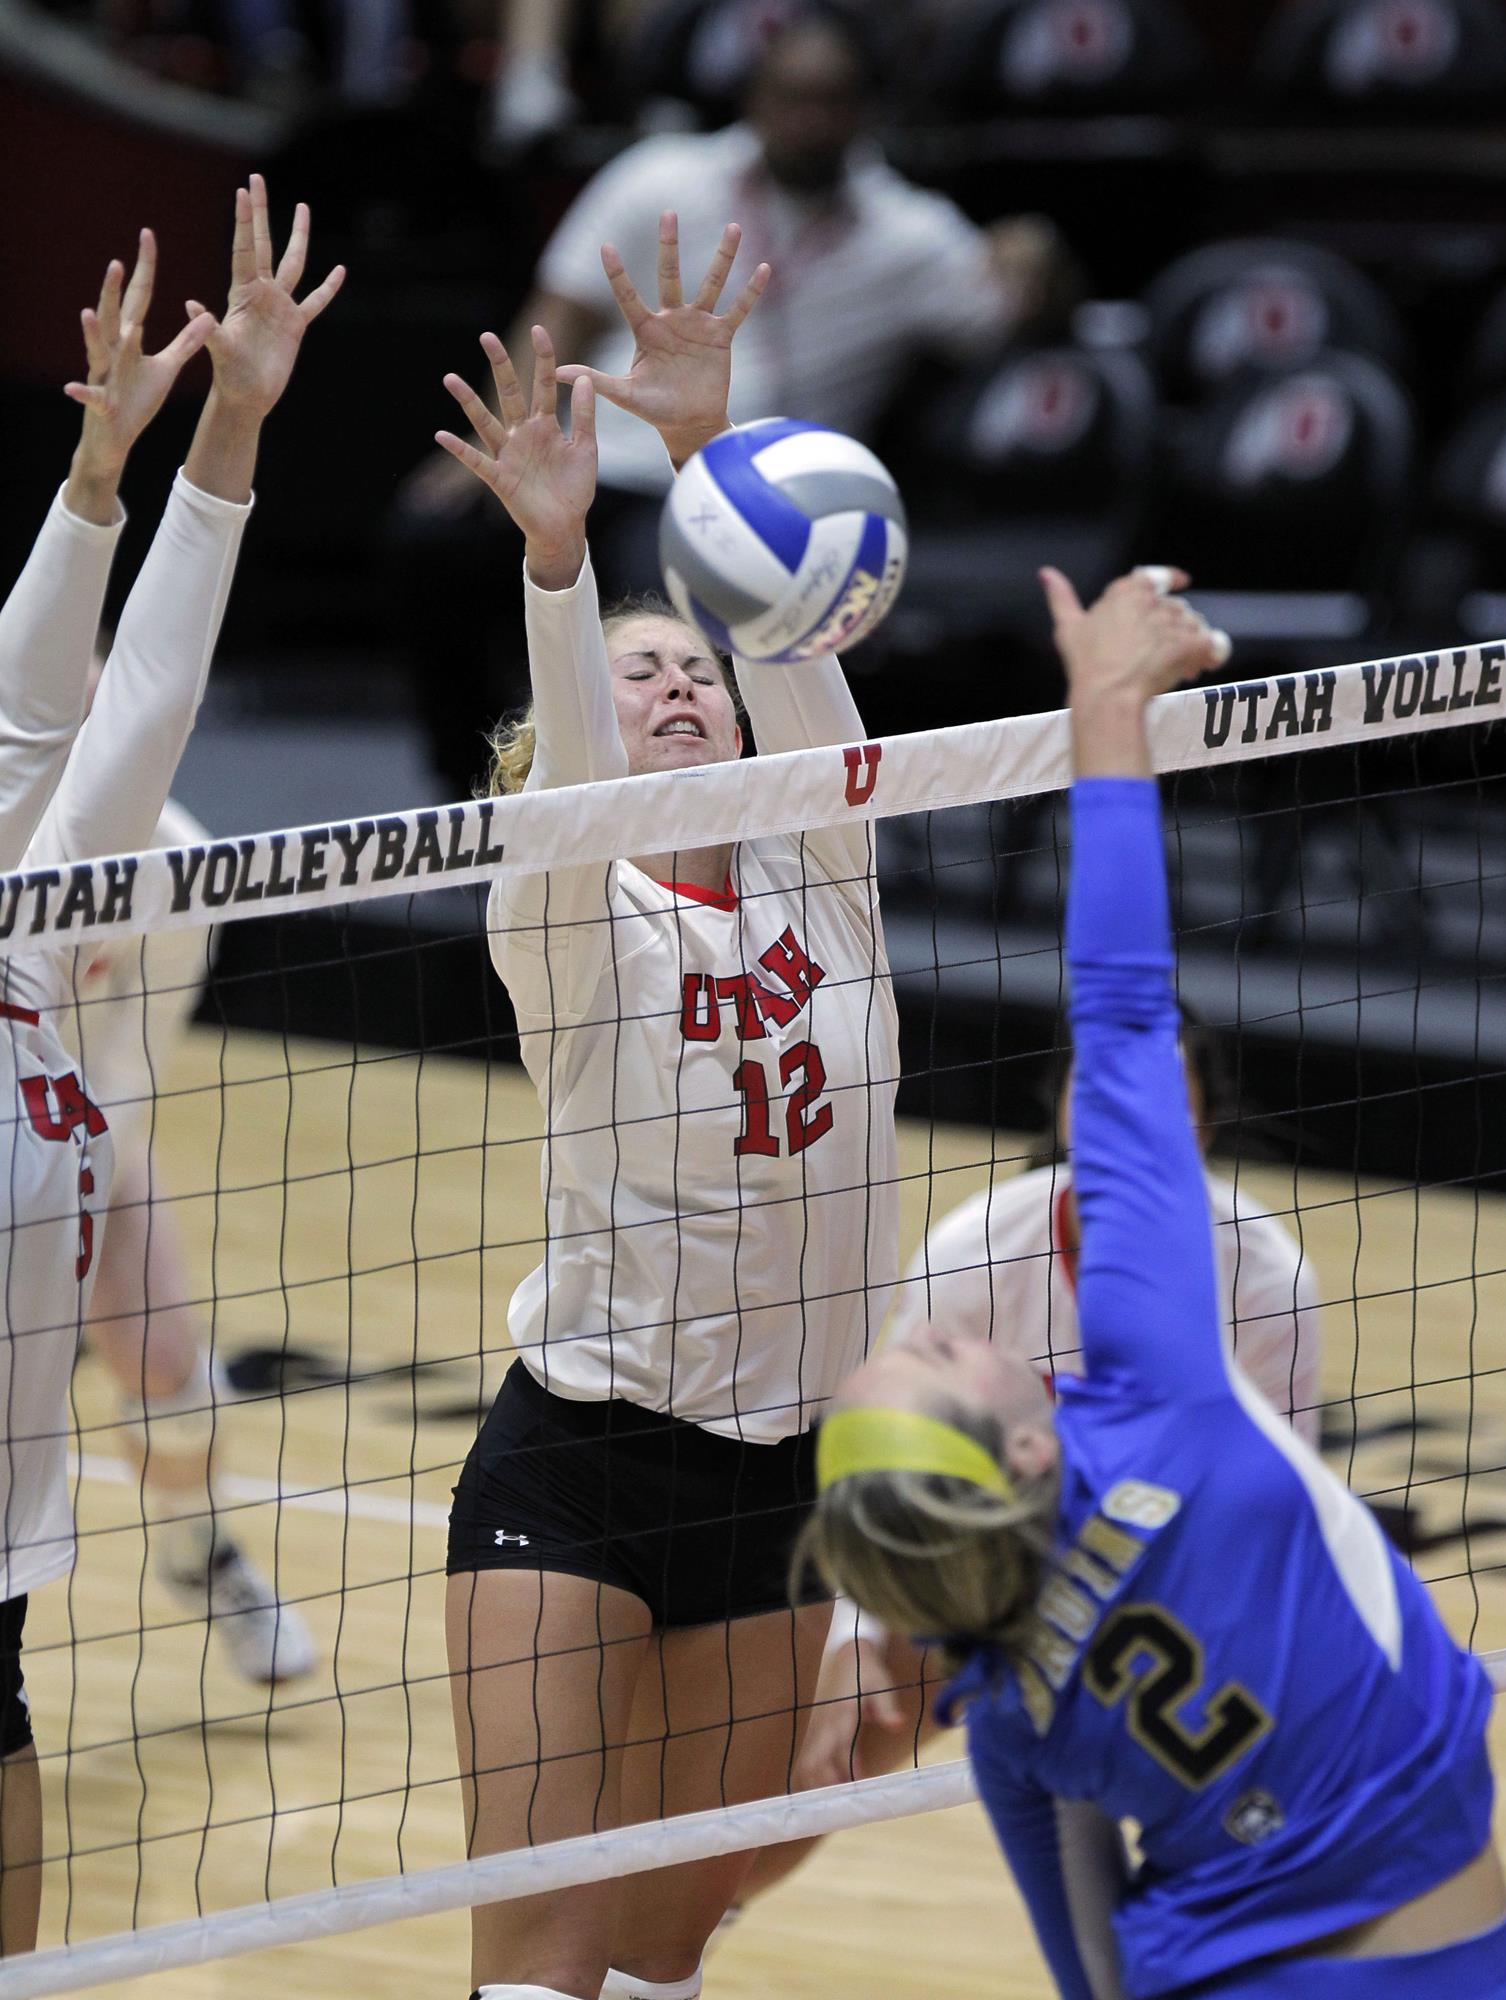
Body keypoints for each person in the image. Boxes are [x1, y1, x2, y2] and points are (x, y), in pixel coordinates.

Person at [795, 565, 1506, 2000]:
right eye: (940, 1358)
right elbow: (1122, 1000)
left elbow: (1086, 1963)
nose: (947, 1334)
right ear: (1023, 1437)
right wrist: (1106, 708)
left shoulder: (1010, 1721)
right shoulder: (1175, 1407)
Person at [438, 217, 899, 2000]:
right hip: (584, 1462)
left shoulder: (827, 873)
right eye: (644, 674)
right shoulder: (565, 917)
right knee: (539, 1957)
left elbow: (800, 666)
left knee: (657, 1957)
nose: (681, 679)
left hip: (783, 1480)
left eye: (694, 664)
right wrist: (562, 567)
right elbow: (560, 778)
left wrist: (708, 456)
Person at [0, 180, 341, 1950]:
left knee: (166, 1360)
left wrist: (197, 443)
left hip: (67, 1145)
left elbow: (106, 697)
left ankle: (208, 1551)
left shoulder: (111, 894)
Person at [396, 0, 1075, 794]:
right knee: (430, 536)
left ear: (861, 112)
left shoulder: (911, 237)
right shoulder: (662, 175)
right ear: (753, 99)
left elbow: (1020, 306)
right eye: (790, 97)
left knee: (648, 580)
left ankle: (664, 811)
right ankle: (467, 796)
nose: (807, 119)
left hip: (742, 491)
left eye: (829, 101)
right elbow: (559, 316)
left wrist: (1042, 257)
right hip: (597, 453)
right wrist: (502, 445)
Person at [742, 1023, 1322, 1903]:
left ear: (1199, 1127)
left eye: (1155, 1093)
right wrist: (855, 1638)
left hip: (1156, 1592)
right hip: (973, 1563)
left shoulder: (1261, 1276)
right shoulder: (983, 1240)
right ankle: (680, 1951)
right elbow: (882, 1462)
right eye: (1093, 1089)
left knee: (1249, 1816)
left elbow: (1274, 1507)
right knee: (817, 1767)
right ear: (1059, 1107)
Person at [71, 784, 317, 1687]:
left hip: (76, 1123)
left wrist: (62, 1199)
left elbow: (128, 1067)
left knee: (172, 1383)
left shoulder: (173, 854)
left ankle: (201, 1555)